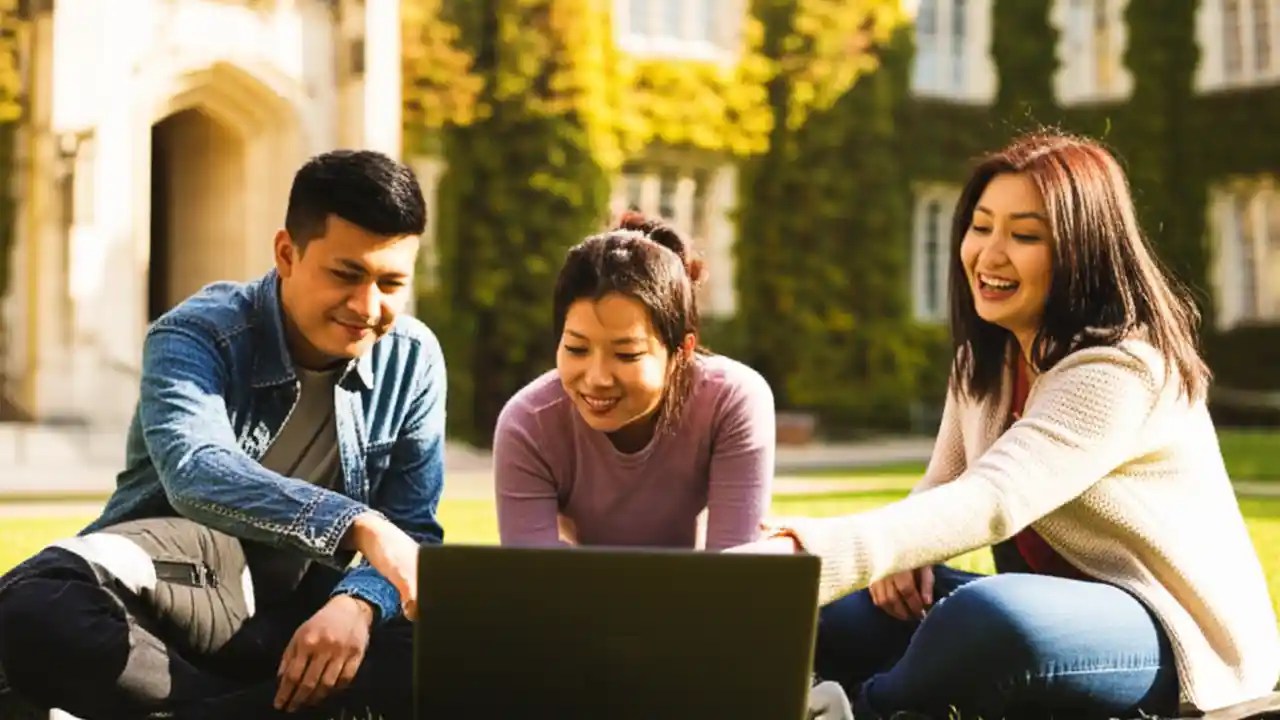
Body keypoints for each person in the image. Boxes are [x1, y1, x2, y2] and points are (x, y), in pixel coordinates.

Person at [730, 132, 1280, 719]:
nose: (989, 255)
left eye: (1023, 236)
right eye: (981, 226)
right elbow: (942, 489)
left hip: (1176, 634)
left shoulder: (1122, 369)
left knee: (991, 618)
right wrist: (891, 562)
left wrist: (810, 551)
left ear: (1082, 251)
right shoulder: (986, 360)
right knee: (838, 610)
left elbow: (994, 496)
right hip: (1055, 611)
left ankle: (856, 711)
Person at [0, 149, 445, 720]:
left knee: (440, 651)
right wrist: (356, 526)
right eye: (346, 274)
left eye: (390, 283)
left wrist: (357, 602)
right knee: (35, 610)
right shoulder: (197, 333)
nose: (367, 306)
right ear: (287, 253)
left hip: (313, 619)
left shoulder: (414, 358)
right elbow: (197, 470)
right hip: (181, 599)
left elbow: (414, 529)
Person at [493, 211, 775, 552]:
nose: (596, 378)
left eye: (627, 354)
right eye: (576, 349)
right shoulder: (528, 424)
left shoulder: (730, 401)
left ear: (682, 351)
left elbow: (735, 573)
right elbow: (532, 579)